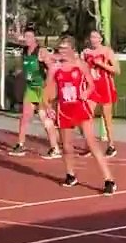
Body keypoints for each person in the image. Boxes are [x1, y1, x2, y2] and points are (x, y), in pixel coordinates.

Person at [42, 35, 116, 196]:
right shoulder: (55, 68)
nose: (62, 52)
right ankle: (70, 175)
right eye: (60, 48)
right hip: (64, 109)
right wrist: (48, 106)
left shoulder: (80, 65)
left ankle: (109, 179)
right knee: (67, 147)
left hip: (80, 108)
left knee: (92, 143)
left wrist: (86, 92)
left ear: (72, 50)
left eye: (65, 48)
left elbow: (91, 84)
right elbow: (47, 91)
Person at [8, 26, 61, 159]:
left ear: (35, 38)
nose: (27, 40)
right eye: (25, 37)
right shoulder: (25, 51)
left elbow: (52, 68)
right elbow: (16, 40)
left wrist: (46, 86)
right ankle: (20, 144)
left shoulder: (41, 52)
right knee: (24, 117)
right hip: (31, 88)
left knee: (45, 119)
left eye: (29, 37)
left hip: (41, 88)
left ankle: (55, 148)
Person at [81, 30, 120, 158]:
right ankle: (90, 145)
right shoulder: (86, 52)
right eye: (92, 37)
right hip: (92, 87)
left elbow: (117, 70)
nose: (93, 39)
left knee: (106, 117)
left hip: (105, 87)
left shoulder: (107, 51)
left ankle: (111, 144)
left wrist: (101, 64)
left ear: (101, 39)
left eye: (96, 37)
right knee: (87, 117)